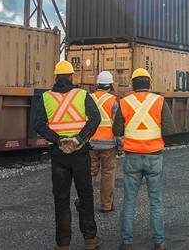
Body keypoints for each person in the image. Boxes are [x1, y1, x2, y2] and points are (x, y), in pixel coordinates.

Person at [31, 60, 102, 250]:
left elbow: (38, 124)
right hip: (80, 154)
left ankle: (62, 243)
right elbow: (95, 119)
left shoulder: (46, 98)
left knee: (61, 198)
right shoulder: (82, 95)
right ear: (71, 76)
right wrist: (78, 139)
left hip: (58, 155)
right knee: (85, 196)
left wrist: (58, 140)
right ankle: (90, 239)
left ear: (56, 77)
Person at [113, 68, 176, 250]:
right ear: (149, 83)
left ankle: (126, 243)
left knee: (129, 201)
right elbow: (170, 130)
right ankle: (159, 242)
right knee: (155, 201)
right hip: (154, 157)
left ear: (133, 84)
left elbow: (117, 131)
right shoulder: (159, 101)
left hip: (132, 157)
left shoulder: (124, 102)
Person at [89, 70, 119, 212]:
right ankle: (106, 205)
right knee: (107, 174)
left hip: (91, 143)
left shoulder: (89, 98)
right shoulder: (113, 101)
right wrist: (119, 143)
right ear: (110, 85)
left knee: (90, 172)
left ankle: (85, 203)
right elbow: (117, 125)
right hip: (108, 144)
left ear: (98, 84)